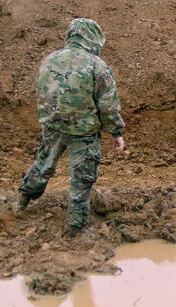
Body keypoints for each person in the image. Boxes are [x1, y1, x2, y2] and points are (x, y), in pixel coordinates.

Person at [15, 18, 125, 237]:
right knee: (82, 178)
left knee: (43, 164)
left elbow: (42, 91)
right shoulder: (97, 65)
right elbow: (108, 105)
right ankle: (74, 227)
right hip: (83, 133)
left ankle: (23, 200)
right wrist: (116, 132)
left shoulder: (49, 60)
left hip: (53, 126)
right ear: (92, 37)